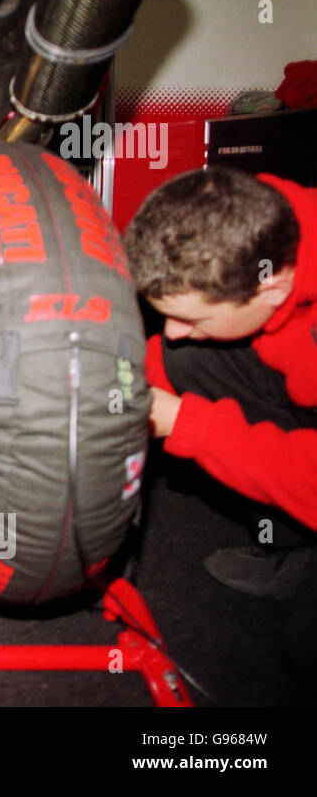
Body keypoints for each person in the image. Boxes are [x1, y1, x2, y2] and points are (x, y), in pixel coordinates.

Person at [125, 166, 316, 685]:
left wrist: (187, 424)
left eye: (194, 318)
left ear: (273, 289)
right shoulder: (252, 225)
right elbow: (163, 356)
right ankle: (295, 545)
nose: (174, 329)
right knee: (178, 359)